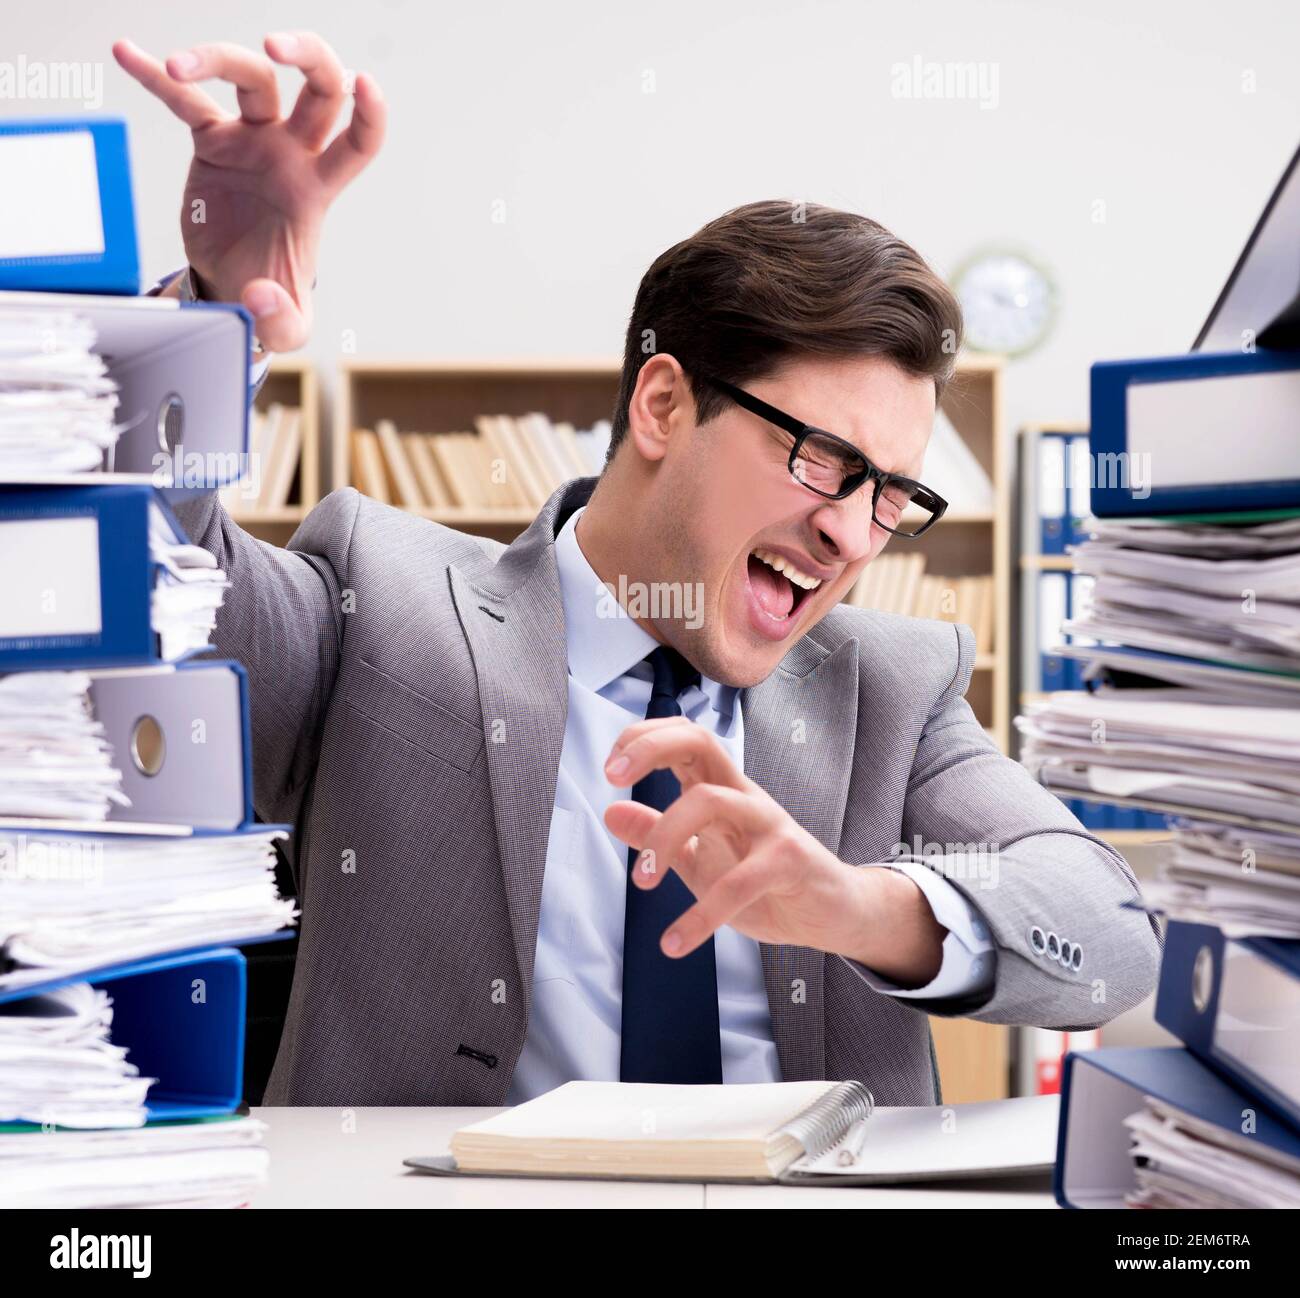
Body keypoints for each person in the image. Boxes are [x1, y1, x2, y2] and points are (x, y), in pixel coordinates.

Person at [113, 32, 1161, 1105]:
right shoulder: (376, 595)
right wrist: (211, 323)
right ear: (662, 405)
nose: (853, 534)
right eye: (825, 461)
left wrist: (854, 904)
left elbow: (1111, 931)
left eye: (891, 493)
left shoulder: (896, 686)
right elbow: (151, 592)